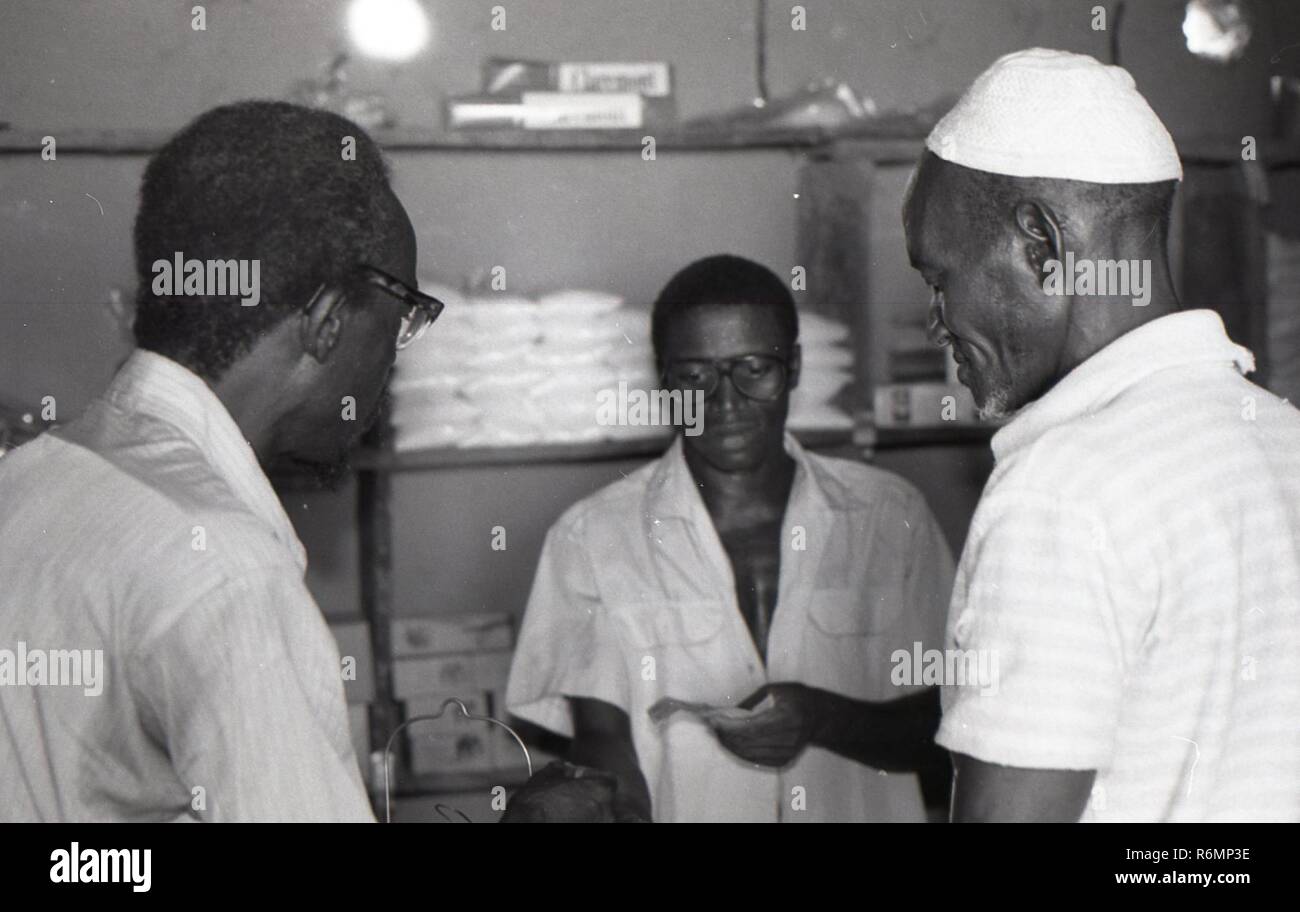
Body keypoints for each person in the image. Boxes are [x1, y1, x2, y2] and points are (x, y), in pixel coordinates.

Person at [0, 101, 443, 821]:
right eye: (399, 326)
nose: (390, 363)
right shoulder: (226, 573)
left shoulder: (32, 477)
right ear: (329, 321)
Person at [903, 48, 1300, 822]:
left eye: (938, 278)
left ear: (1042, 249)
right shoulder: (1284, 438)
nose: (935, 321)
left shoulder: (1060, 494)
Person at [505, 255, 954, 822]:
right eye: (695, 376)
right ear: (662, 376)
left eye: (753, 368)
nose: (724, 401)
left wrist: (823, 718)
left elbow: (951, 725)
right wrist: (600, 802)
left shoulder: (889, 515)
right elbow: (602, 736)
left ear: (792, 366)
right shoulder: (591, 537)